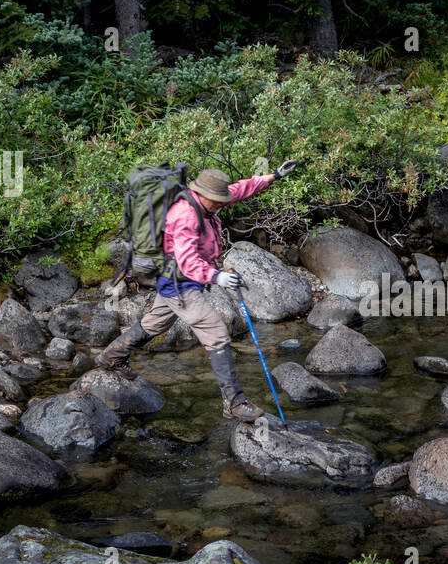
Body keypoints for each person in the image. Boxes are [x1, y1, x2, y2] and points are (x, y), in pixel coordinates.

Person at [97, 160, 299, 421]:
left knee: (154, 323)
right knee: (217, 335)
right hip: (180, 284)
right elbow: (187, 260)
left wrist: (273, 176)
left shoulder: (207, 201)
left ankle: (111, 356)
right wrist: (216, 277)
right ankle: (234, 403)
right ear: (202, 194)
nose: (220, 202)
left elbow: (238, 189)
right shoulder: (186, 215)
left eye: (220, 198)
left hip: (178, 282)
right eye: (216, 199)